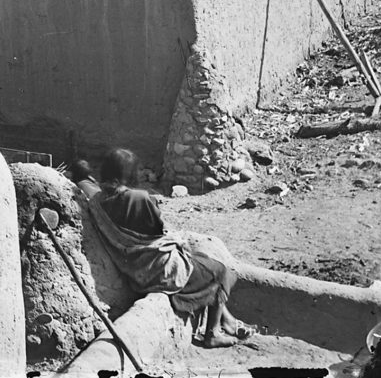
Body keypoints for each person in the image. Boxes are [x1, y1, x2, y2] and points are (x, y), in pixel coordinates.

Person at [73, 149, 253, 348]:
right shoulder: (138, 198)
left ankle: (226, 319)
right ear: (130, 173)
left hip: (134, 269)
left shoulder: (98, 200)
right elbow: (158, 232)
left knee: (201, 258)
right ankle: (213, 334)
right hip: (158, 269)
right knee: (219, 270)